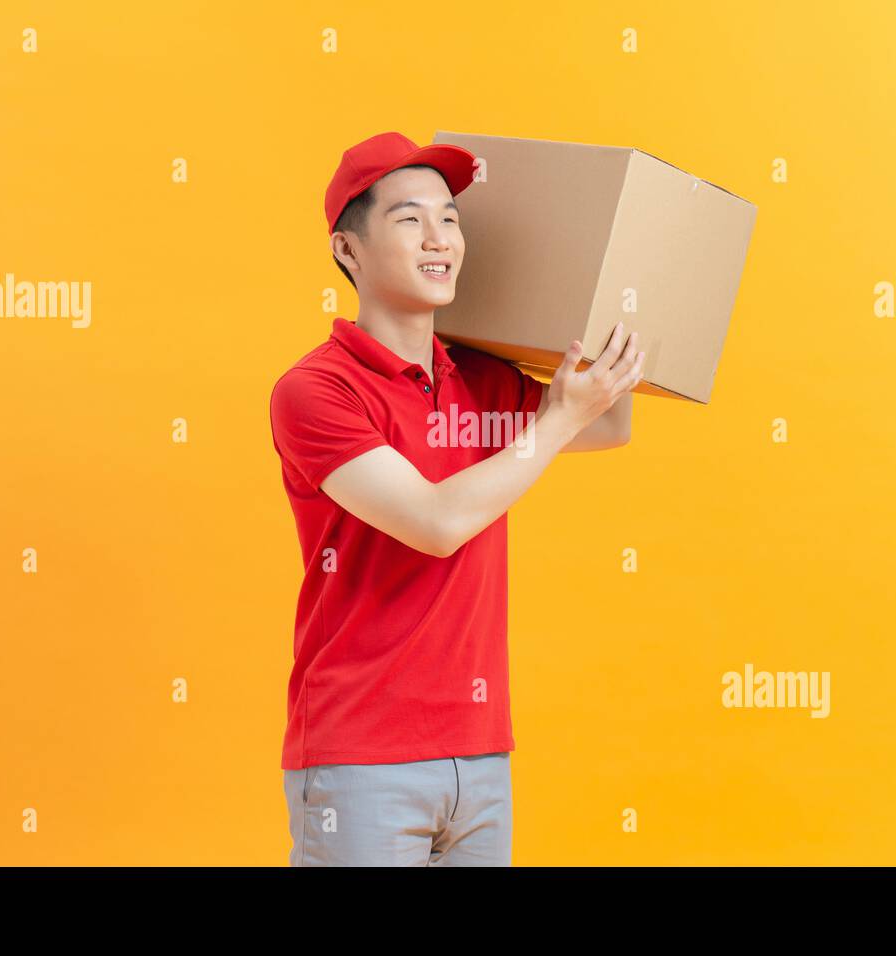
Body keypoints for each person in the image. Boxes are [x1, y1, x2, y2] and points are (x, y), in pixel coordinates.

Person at [269, 130, 643, 866]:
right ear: (348, 251)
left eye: (451, 218)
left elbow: (609, 427)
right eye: (410, 220)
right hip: (360, 759)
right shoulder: (316, 391)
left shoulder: (477, 377)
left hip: (480, 755)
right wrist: (561, 413)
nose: (439, 237)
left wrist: (597, 291)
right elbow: (436, 522)